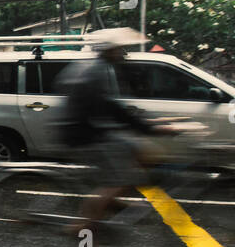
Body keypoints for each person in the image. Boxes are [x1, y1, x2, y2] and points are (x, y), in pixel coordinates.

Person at [53, 27, 170, 232]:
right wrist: (147, 127)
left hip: (82, 130)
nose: (123, 53)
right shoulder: (95, 72)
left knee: (141, 153)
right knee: (115, 180)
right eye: (120, 49)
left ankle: (112, 200)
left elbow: (110, 108)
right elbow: (109, 107)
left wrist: (146, 124)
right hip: (84, 136)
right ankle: (83, 227)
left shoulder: (93, 67)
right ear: (109, 50)